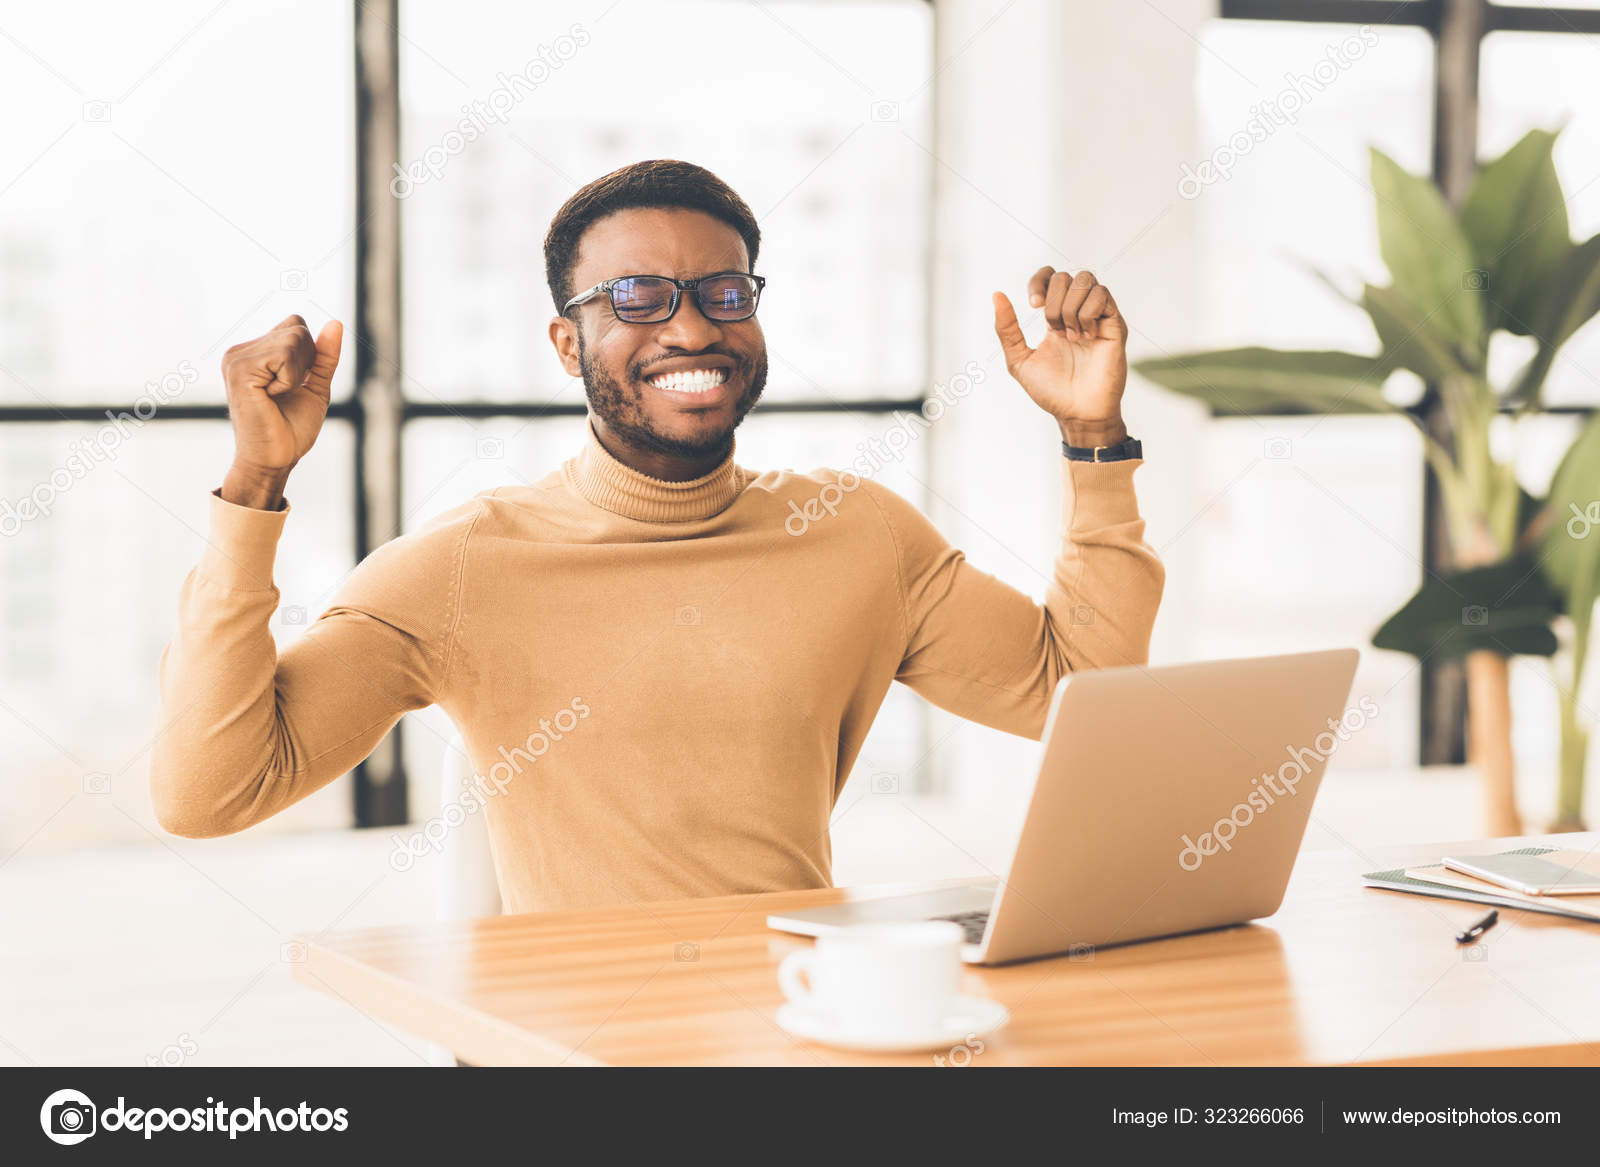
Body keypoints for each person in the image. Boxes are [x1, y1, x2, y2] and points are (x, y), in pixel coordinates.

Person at [150, 159, 1164, 915]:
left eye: (725, 294)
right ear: (567, 343)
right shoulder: (463, 566)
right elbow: (210, 794)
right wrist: (256, 484)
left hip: (801, 1025)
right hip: (584, 1051)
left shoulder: (857, 534)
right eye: (637, 298)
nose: (690, 331)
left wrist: (1090, 436)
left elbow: (1086, 688)